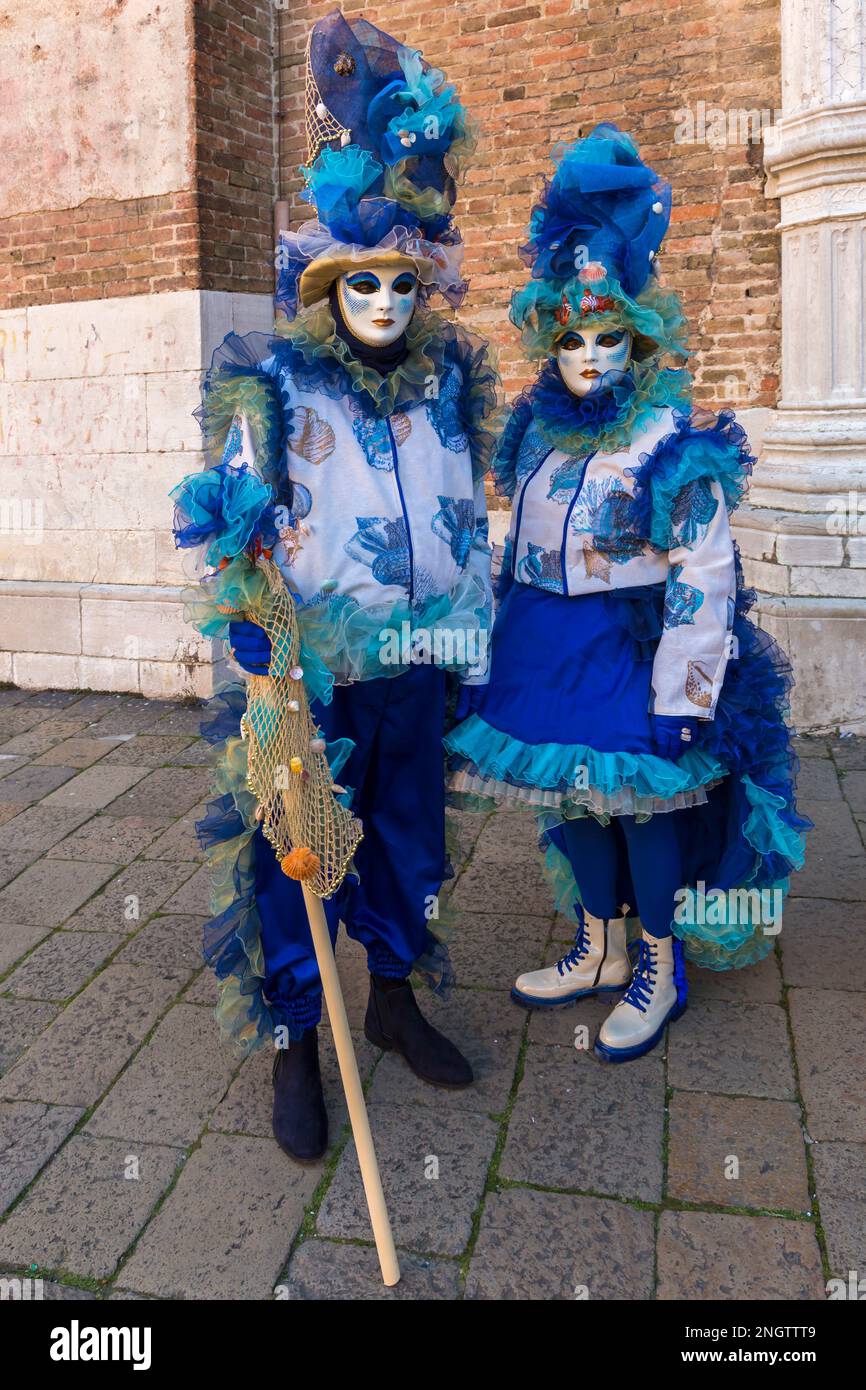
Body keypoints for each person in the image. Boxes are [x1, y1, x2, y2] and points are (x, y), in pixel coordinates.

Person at [170, 10, 497, 1160]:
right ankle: (294, 1043)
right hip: (312, 669)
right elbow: (235, 527)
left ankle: (394, 998)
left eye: (406, 286)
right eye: (366, 284)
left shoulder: (446, 383)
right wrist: (254, 633)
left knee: (409, 837)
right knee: (294, 848)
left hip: (419, 660)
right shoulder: (274, 387)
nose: (389, 306)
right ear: (329, 283)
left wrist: (475, 629)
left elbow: (464, 514)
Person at [445, 125, 810, 1063]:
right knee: (569, 803)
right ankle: (598, 945)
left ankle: (659, 963)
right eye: (574, 337)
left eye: (611, 337)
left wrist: (685, 692)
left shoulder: (665, 440)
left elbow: (705, 572)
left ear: (638, 340)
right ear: (549, 340)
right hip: (540, 645)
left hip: (628, 653)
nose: (593, 354)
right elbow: (511, 543)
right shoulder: (531, 433)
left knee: (646, 806)